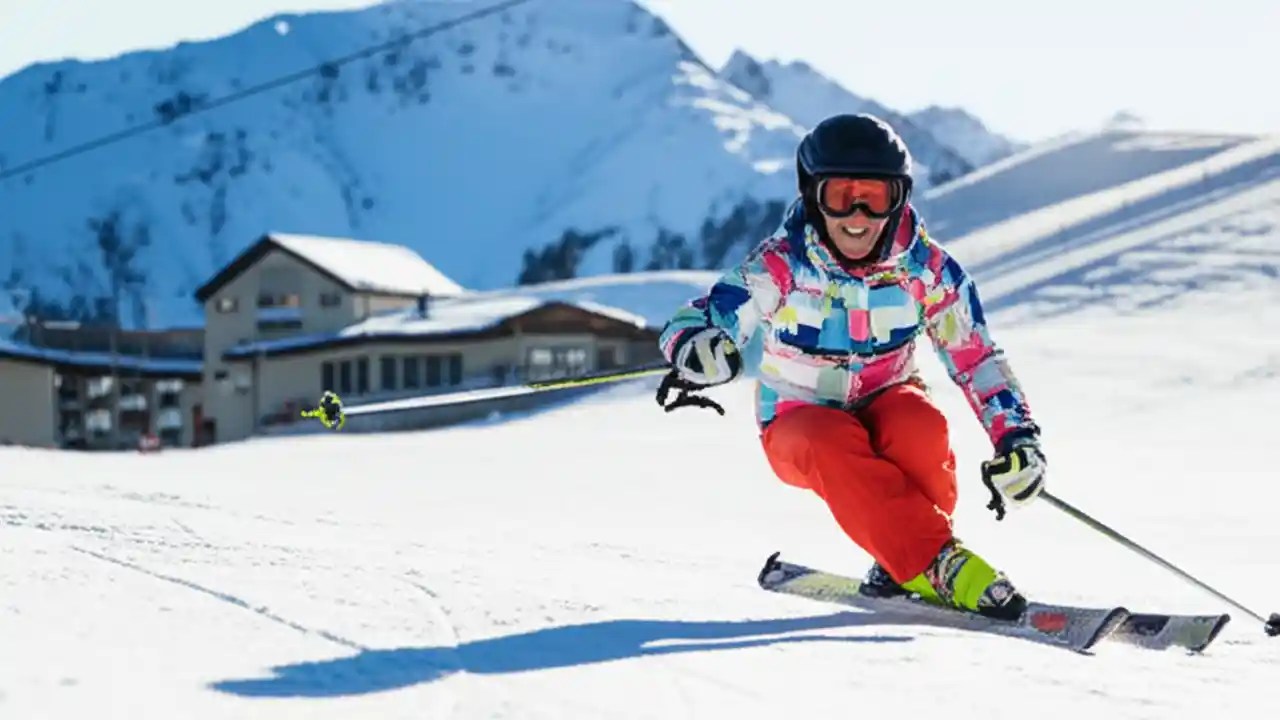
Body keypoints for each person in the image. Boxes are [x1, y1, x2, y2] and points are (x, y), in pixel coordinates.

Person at [655, 113, 1048, 620]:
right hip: (798, 421)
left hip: (886, 401)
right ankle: (935, 564)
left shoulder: (927, 272)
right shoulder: (782, 266)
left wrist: (1017, 437)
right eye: (841, 196)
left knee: (919, 426)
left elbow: (976, 358)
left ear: (899, 198)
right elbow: (711, 313)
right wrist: (697, 342)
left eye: (875, 197)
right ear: (813, 195)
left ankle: (902, 559)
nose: (858, 216)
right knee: (828, 436)